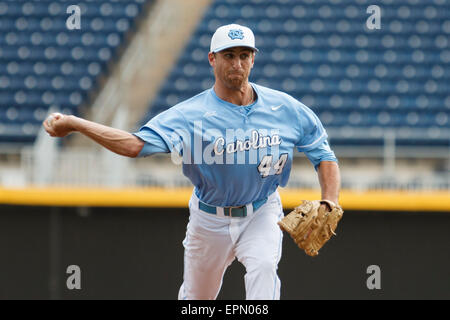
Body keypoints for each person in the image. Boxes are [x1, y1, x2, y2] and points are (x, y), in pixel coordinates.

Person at [43, 24, 341, 300]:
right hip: (209, 219)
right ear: (212, 59)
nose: (237, 63)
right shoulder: (190, 115)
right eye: (229, 55)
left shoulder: (284, 108)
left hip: (262, 210)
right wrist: (76, 123)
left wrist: (330, 200)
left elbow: (323, 153)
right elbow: (135, 145)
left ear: (253, 59)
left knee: (264, 268)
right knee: (198, 300)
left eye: (244, 55)